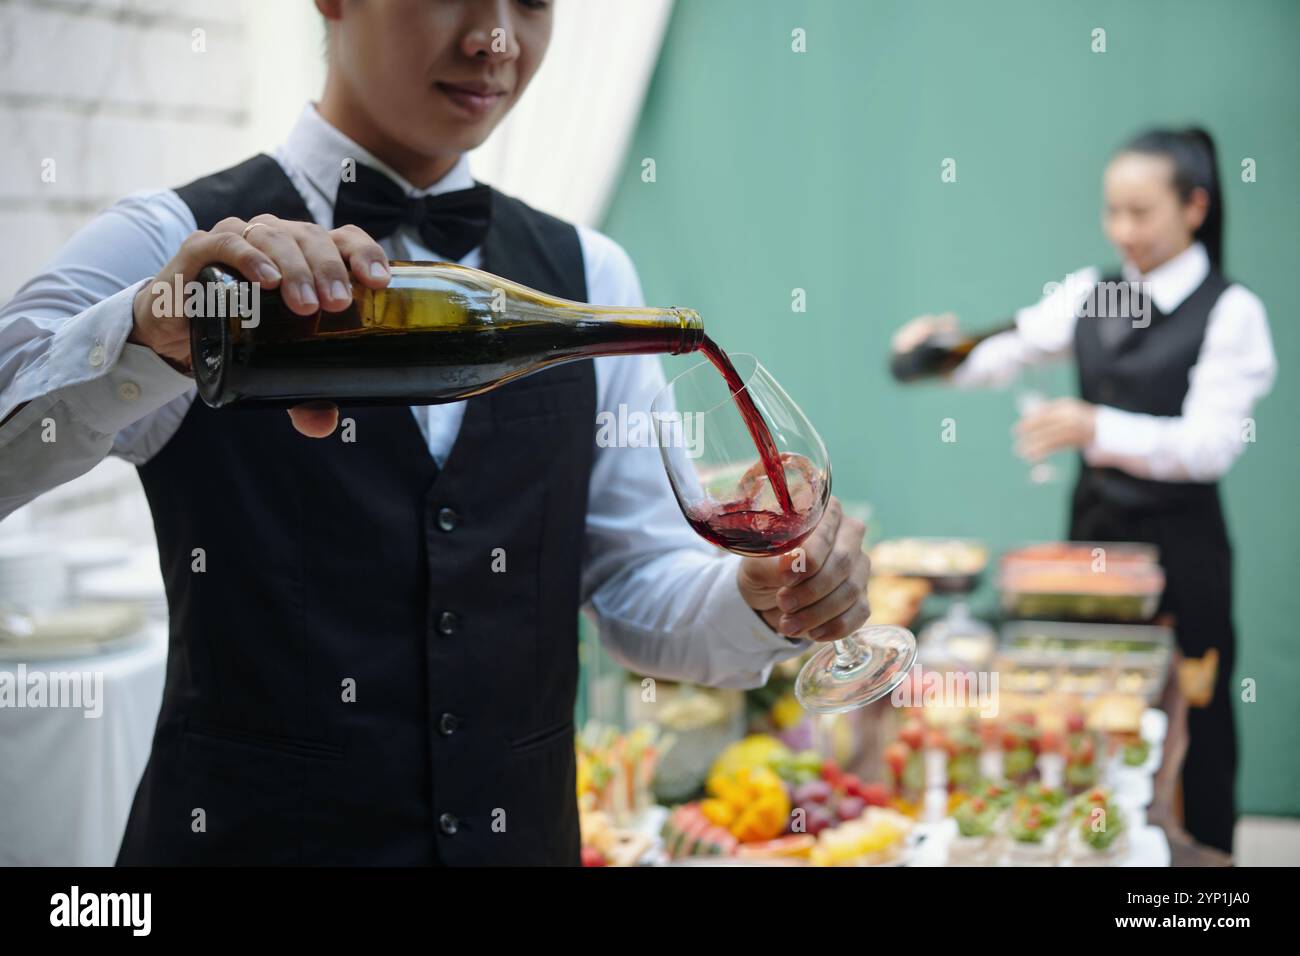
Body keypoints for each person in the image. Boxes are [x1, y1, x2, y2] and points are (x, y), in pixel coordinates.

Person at [0, 0, 873, 865]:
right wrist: (151, 331)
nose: (495, 38)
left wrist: (761, 599)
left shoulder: (588, 271)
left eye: (531, 2)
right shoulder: (173, 242)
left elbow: (638, 578)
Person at [893, 127, 1276, 854]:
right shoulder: (1089, 294)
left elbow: (1209, 446)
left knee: (1193, 724)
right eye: (1113, 212)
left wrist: (1093, 425)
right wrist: (927, 354)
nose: (1124, 230)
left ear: (1195, 207)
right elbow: (998, 353)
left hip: (1182, 558)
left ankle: (1204, 872)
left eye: (1143, 212)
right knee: (1082, 716)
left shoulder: (1233, 313)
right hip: (1090, 554)